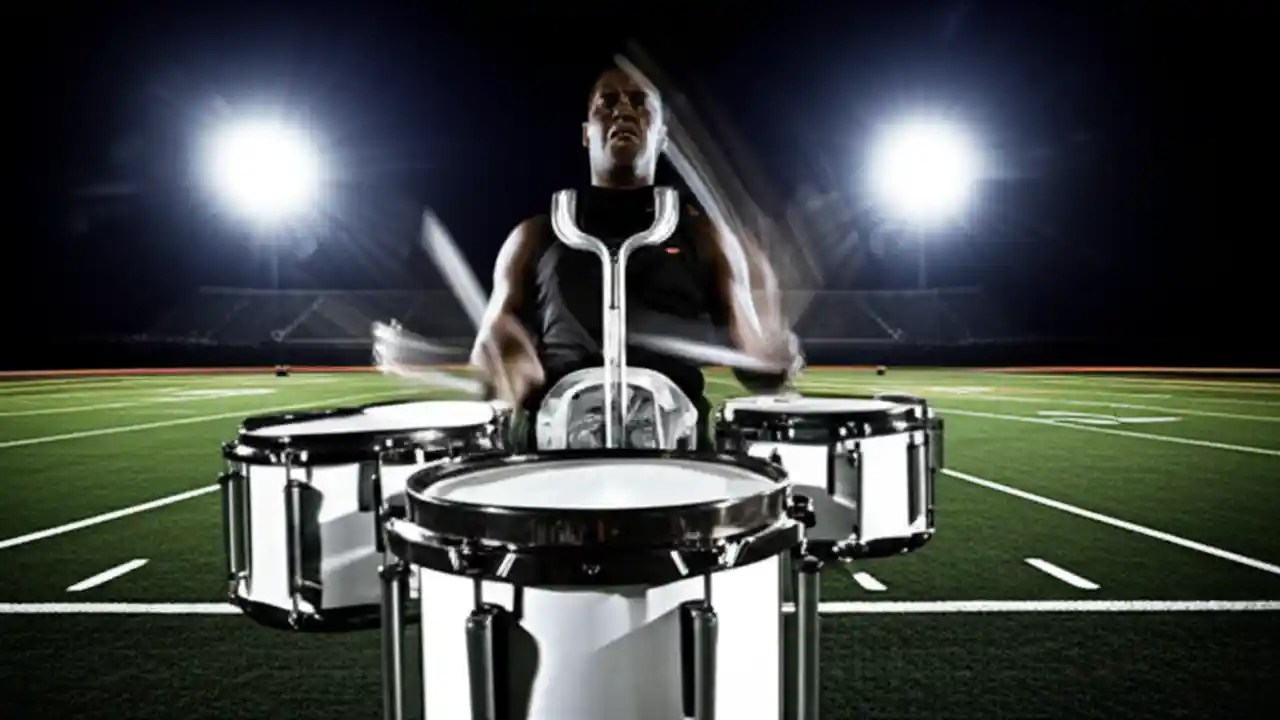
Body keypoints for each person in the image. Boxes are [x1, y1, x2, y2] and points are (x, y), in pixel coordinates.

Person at [470, 65, 798, 448]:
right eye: (606, 103)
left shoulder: (707, 236)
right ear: (585, 133)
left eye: (641, 104)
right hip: (557, 448)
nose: (623, 111)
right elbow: (493, 343)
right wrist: (505, 359)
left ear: (661, 137)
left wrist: (775, 350)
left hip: (675, 452)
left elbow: (756, 363)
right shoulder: (534, 235)